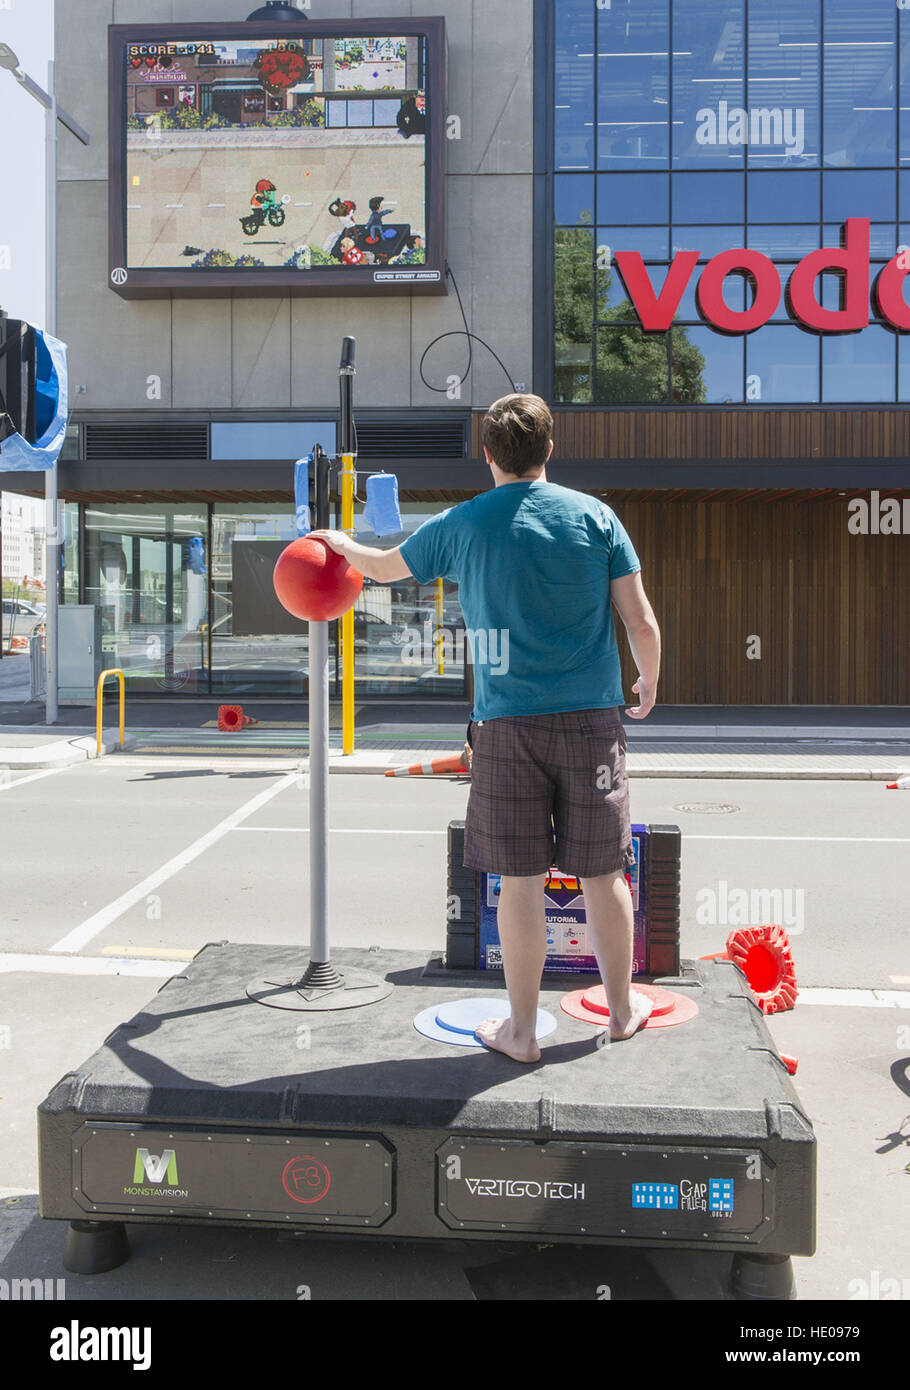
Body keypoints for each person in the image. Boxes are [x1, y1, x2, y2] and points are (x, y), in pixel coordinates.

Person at [310, 394, 661, 1064]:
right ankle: (619, 1014)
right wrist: (648, 679)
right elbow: (639, 620)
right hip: (592, 721)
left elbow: (381, 568)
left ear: (489, 454)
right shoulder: (597, 517)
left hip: (504, 726)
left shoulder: (462, 523)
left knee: (521, 879)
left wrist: (339, 542)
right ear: (549, 450)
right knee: (603, 872)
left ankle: (522, 1034)